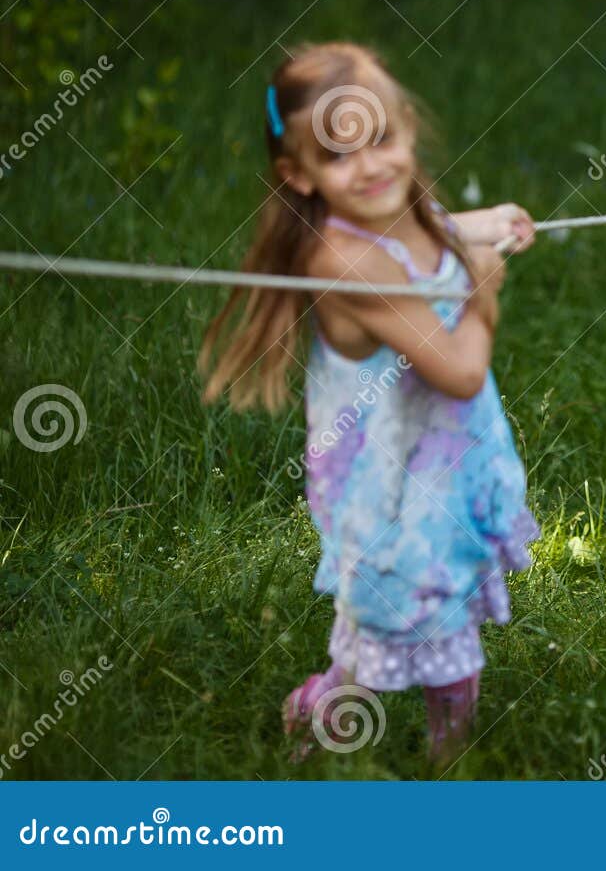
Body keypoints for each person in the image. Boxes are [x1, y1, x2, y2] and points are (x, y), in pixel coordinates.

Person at [198, 41, 538, 764]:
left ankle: (327, 713)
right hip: (393, 490)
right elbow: (460, 372)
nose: (373, 166)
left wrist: (476, 226)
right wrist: (481, 287)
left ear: (406, 124)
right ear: (300, 174)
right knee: (427, 628)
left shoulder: (403, 207)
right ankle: (444, 768)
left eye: (382, 137)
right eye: (341, 157)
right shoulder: (344, 261)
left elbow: (426, 239)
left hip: (439, 459)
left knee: (410, 620)